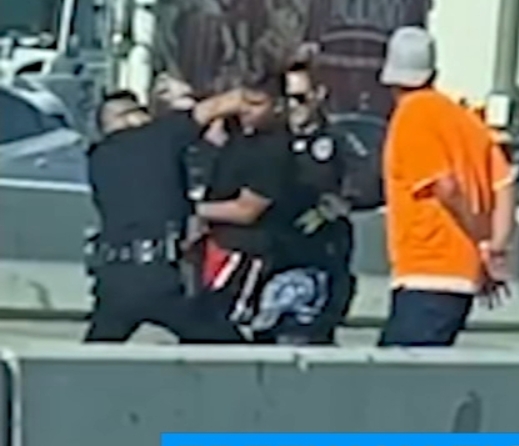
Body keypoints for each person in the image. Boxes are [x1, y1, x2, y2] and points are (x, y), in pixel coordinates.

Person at [377, 26, 516, 346]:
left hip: (427, 271)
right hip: (460, 279)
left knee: (394, 385)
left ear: (388, 78)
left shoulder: (411, 115)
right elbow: (505, 186)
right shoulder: (465, 119)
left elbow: (446, 188)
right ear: (433, 73)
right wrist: (495, 249)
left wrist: (480, 237)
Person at [84, 88, 250, 344]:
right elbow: (223, 104)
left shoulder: (98, 157)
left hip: (113, 278)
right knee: (229, 350)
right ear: (130, 118)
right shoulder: (160, 136)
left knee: (94, 355)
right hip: (161, 278)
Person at [193, 69, 330, 342]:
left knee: (218, 328)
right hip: (216, 247)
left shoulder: (274, 150)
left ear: (278, 106)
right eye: (243, 101)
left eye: (256, 105)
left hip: (244, 254)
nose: (246, 111)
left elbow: (247, 210)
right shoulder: (239, 135)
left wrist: (193, 210)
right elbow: (194, 118)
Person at [281, 61, 354, 344]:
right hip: (278, 262)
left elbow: (360, 187)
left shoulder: (337, 142)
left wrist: (327, 210)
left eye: (299, 98)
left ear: (318, 95)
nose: (292, 106)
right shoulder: (272, 143)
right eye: (285, 98)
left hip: (321, 260)